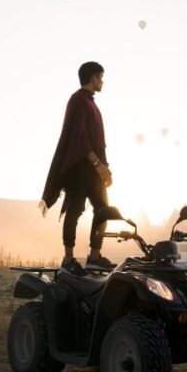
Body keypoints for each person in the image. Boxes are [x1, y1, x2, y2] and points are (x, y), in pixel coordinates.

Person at [39, 61, 115, 276]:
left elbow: (99, 142)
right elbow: (79, 138)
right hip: (80, 167)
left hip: (95, 169)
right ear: (92, 77)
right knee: (75, 210)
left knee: (104, 209)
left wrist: (105, 168)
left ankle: (95, 257)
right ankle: (68, 259)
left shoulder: (91, 103)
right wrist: (97, 164)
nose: (103, 81)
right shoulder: (78, 100)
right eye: (101, 77)